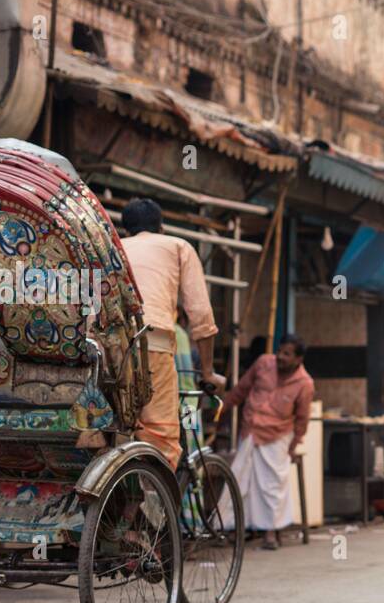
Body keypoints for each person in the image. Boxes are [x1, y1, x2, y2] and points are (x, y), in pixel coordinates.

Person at [120, 198, 225, 469]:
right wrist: (209, 372)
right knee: (160, 437)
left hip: (109, 349)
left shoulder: (113, 246)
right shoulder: (178, 246)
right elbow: (201, 315)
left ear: (125, 229)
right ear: (161, 228)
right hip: (153, 346)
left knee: (113, 429)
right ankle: (154, 505)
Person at [225, 334, 315, 549]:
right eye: (280, 351)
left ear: (298, 359)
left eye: (287, 354)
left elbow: (302, 419)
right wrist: (221, 408)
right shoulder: (264, 363)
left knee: (272, 486)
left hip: (277, 437)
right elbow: (240, 390)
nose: (280, 357)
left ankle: (270, 533)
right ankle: (235, 528)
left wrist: (293, 446)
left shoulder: (305, 383)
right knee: (240, 480)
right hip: (249, 431)